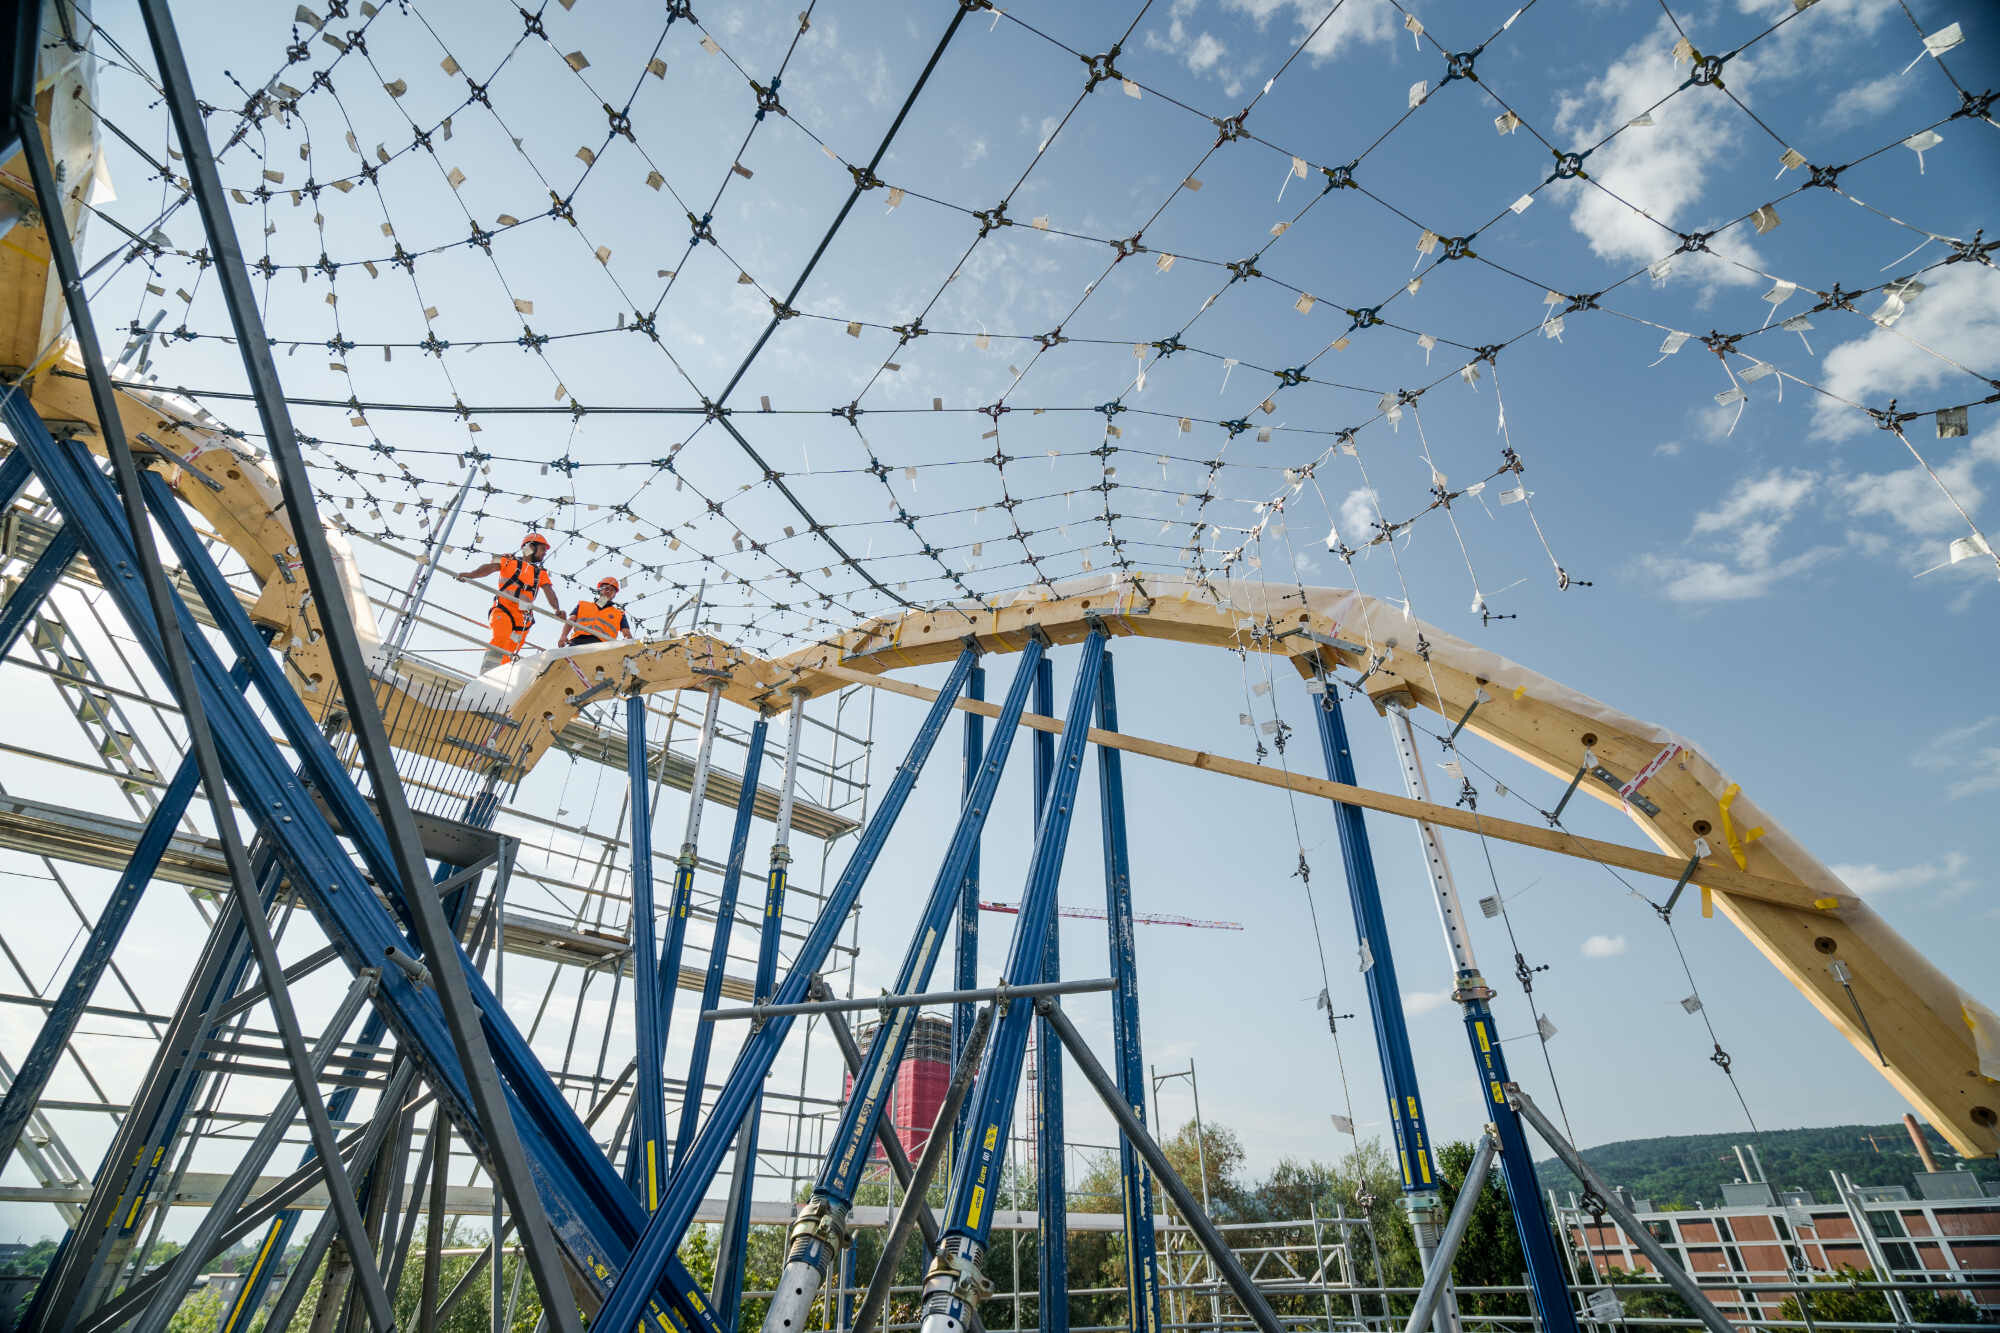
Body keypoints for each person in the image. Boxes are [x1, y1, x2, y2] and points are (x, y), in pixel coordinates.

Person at [462, 533, 561, 672]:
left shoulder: (540, 573)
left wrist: (557, 609)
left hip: (523, 619)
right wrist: (470, 575)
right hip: (503, 609)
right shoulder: (509, 561)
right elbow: (489, 568)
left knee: (510, 651)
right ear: (531, 547)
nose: (545, 553)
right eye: (543, 549)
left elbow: (549, 591)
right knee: (501, 637)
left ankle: (499, 676)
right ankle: (487, 673)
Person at [559, 576, 633, 647]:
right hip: (577, 642)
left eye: (612, 590)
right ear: (600, 590)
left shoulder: (619, 613)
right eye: (606, 588)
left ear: (614, 595)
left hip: (603, 647)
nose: (609, 591)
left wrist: (629, 645)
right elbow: (571, 620)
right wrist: (563, 636)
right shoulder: (583, 605)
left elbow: (627, 634)